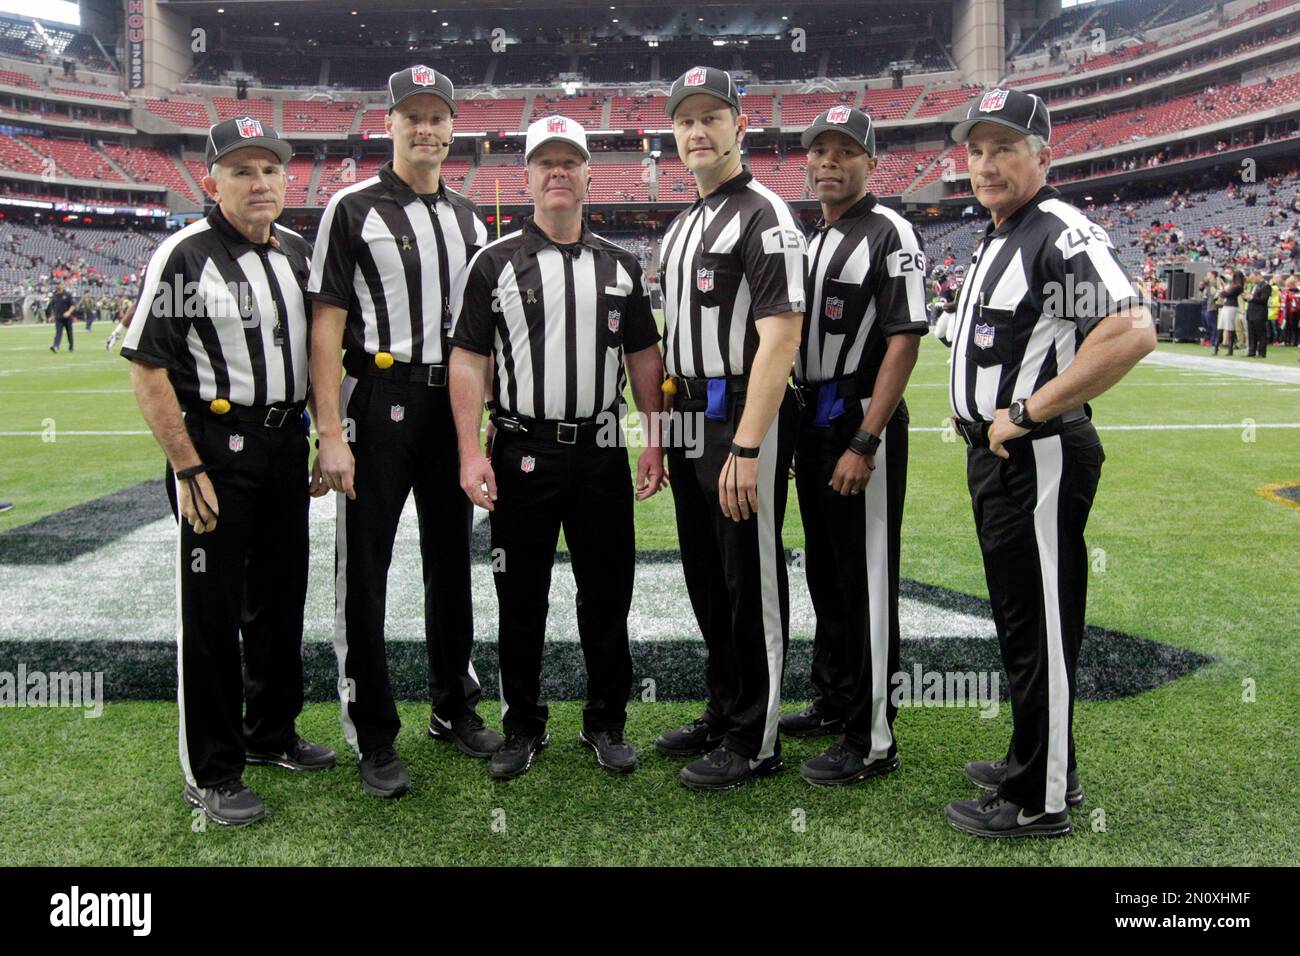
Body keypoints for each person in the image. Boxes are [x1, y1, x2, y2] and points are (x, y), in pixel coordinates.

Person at [943, 88, 1155, 838]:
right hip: (1002, 460)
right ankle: (1033, 755)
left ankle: (1041, 798)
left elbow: (1130, 329)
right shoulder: (1003, 233)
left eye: (1005, 147)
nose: (986, 163)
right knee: (1021, 622)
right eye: (976, 149)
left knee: (1041, 627)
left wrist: (1030, 410)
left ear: (1043, 153)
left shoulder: (1057, 229)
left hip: (1038, 455)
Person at [121, 116, 334, 828]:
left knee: (280, 599)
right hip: (215, 448)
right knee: (211, 615)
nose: (259, 182)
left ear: (287, 178)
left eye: (270, 169)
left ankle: (271, 732)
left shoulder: (300, 253)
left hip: (282, 446)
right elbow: (147, 365)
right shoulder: (184, 254)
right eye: (241, 171)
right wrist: (186, 465)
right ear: (210, 182)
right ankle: (210, 771)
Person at [448, 115, 666, 780]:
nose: (559, 172)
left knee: (607, 594)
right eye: (547, 162)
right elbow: (467, 360)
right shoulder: (493, 263)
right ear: (527, 177)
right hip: (522, 452)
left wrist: (653, 437)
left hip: (600, 449)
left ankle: (605, 723)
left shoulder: (621, 267)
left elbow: (644, 358)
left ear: (589, 174)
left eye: (570, 161)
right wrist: (469, 451)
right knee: (522, 598)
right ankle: (522, 725)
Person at [308, 66, 496, 799]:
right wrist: (330, 430)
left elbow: (481, 339)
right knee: (367, 571)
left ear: (453, 129)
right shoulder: (350, 208)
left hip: (447, 404)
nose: (424, 129)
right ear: (388, 124)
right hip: (377, 397)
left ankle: (454, 705)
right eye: (410, 116)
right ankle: (374, 732)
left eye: (436, 117)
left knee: (452, 563)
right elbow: (325, 328)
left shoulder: (471, 219)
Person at [651, 66, 806, 791]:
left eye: (712, 117)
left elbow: (780, 336)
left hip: (737, 410)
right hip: (686, 412)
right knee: (707, 573)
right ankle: (724, 708)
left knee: (751, 575)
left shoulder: (764, 213)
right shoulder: (684, 224)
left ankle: (758, 736)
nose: (698, 131)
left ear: (741, 126)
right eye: (686, 120)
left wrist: (748, 443)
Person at [780, 107, 929, 786]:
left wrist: (867, 439)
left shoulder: (888, 230)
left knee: (865, 578)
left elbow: (903, 339)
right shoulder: (813, 237)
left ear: (872, 162)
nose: (829, 162)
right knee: (826, 573)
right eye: (819, 152)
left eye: (845, 151)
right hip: (814, 420)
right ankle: (836, 698)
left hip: (858, 417)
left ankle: (873, 737)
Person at [1217, 270, 1243, 355]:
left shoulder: (1238, 286)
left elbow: (1226, 294)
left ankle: (1230, 349)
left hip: (1231, 306)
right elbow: (1225, 293)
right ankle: (1217, 348)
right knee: (1221, 326)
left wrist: (1223, 290)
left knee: (1229, 327)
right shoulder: (1234, 286)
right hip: (1227, 305)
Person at [1245, 271, 1271, 357]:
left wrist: (1252, 298)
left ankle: (1261, 352)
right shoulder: (1254, 286)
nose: (1252, 280)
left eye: (1253, 278)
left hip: (1259, 313)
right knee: (1251, 334)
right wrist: (1246, 297)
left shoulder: (1266, 286)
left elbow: (1263, 300)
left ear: (1258, 276)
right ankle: (1251, 351)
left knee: (1261, 334)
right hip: (1251, 312)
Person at [47, 282, 75, 352]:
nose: (58, 286)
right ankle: (56, 346)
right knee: (58, 333)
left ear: (62, 286)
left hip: (67, 318)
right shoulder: (55, 296)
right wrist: (52, 316)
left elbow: (73, 305)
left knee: (69, 333)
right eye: (57, 285)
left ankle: (71, 347)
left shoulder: (67, 295)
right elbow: (53, 307)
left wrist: (69, 312)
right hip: (58, 318)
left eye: (59, 285)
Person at [1199, 270, 1219, 351]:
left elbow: (1217, 292)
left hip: (1212, 306)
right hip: (1207, 306)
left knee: (1213, 325)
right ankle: (1209, 340)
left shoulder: (1215, 282)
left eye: (1208, 275)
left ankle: (1213, 341)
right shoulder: (1207, 285)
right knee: (1208, 325)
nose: (1206, 276)